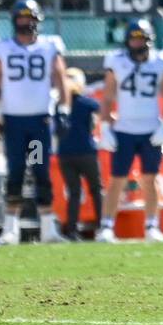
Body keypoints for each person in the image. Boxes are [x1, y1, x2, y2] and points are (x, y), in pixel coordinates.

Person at [0, 0, 69, 244]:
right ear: (15, 21)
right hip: (14, 122)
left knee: (40, 171)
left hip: (38, 122)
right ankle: (10, 229)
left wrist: (64, 108)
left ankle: (47, 229)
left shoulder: (49, 46)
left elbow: (60, 77)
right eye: (22, 18)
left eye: (30, 18)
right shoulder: (1, 47)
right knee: (15, 172)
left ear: (37, 20)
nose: (26, 23)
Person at [96, 18, 163, 243]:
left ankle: (151, 225)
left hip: (150, 128)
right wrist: (104, 126)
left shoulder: (161, 61)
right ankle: (107, 226)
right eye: (133, 39)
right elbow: (108, 95)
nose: (136, 44)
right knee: (117, 179)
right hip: (124, 128)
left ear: (149, 41)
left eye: (140, 39)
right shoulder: (116, 61)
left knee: (150, 179)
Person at [55, 66, 102, 241]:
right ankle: (102, 226)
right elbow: (104, 114)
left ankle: (72, 230)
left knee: (74, 193)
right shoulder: (87, 102)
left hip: (65, 154)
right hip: (86, 152)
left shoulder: (58, 105)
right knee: (96, 190)